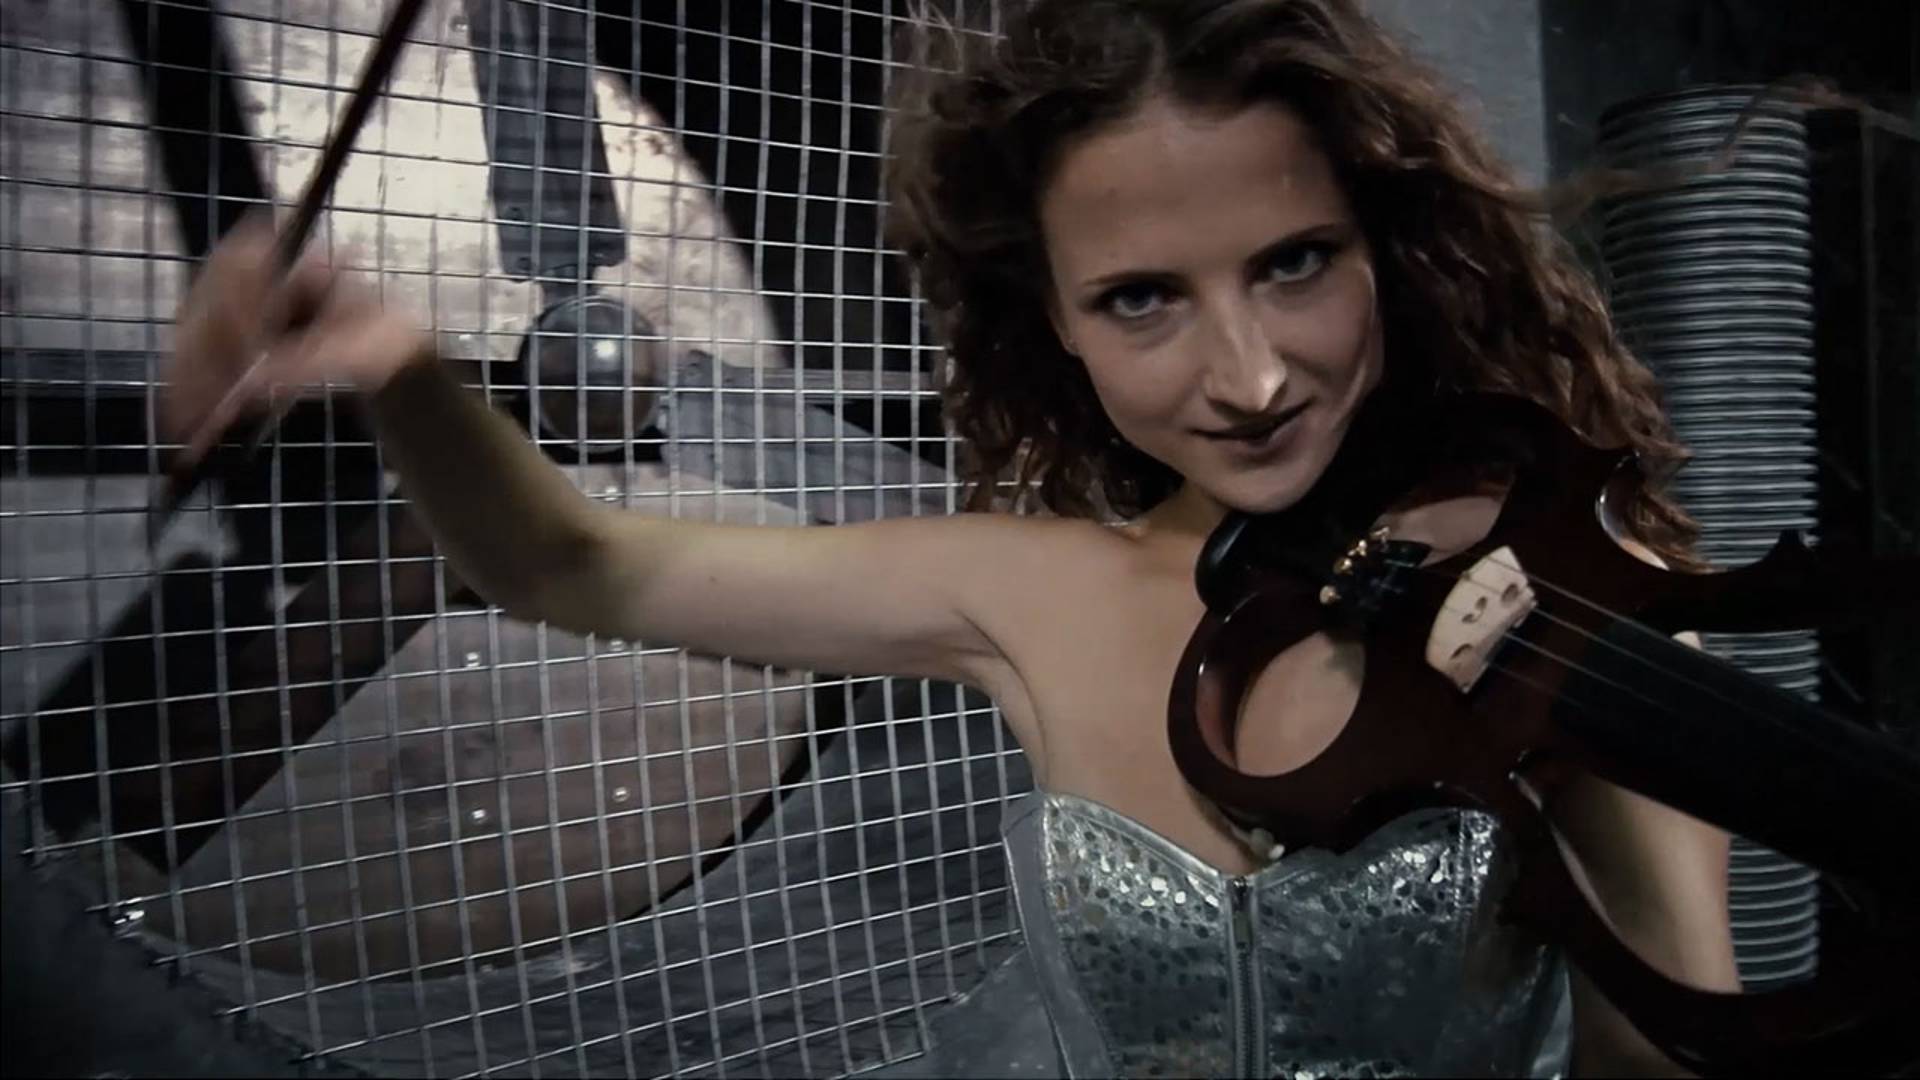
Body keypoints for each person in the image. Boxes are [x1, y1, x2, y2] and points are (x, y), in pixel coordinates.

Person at [167, 0, 1742, 1074]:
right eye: (1142, 299)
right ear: (1051, 320)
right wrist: (398, 369)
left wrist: (1594, 751)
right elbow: (574, 564)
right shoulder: (1026, 593)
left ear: (1383, 252)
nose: (1253, 377)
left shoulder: (1564, 595)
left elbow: (1678, 1050)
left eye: (1294, 264)